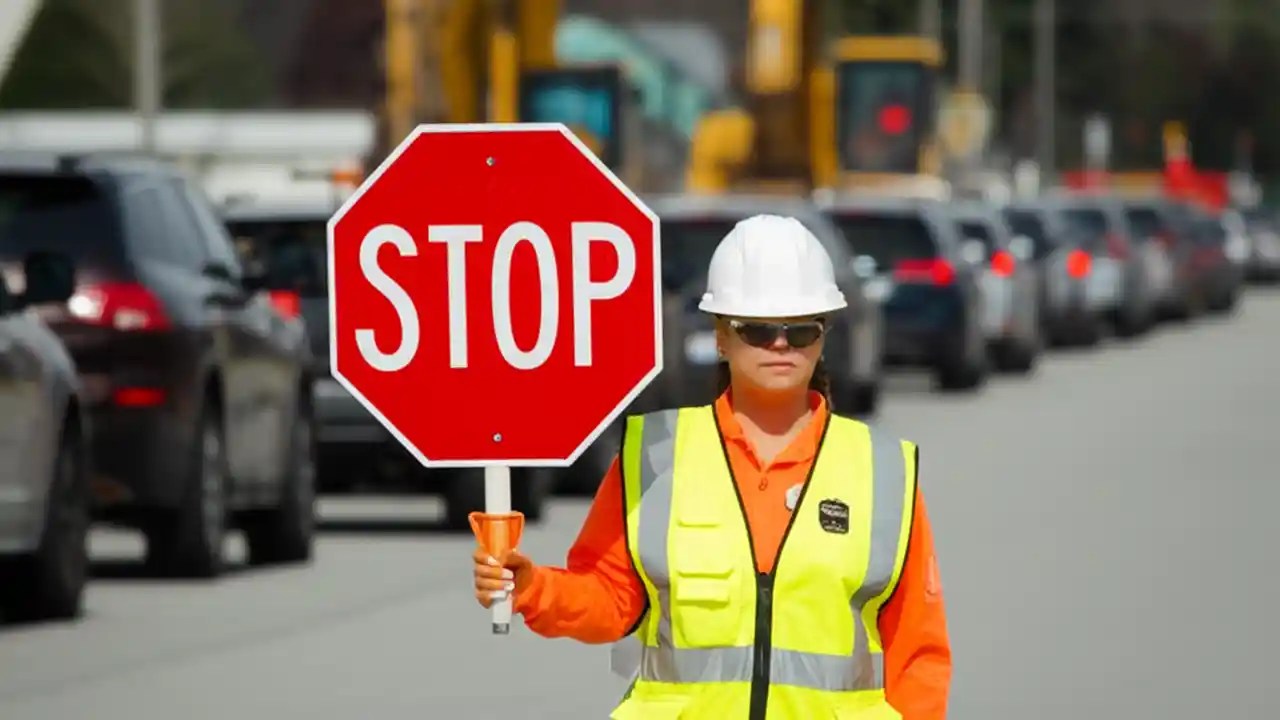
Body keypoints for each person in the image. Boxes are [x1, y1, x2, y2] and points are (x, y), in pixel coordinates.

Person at [472, 214, 951, 719]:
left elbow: (918, 653)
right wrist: (530, 587)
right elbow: (610, 599)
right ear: (721, 336)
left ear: (824, 336)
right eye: (758, 330)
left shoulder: (881, 470)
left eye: (801, 329)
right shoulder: (654, 455)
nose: (781, 345)